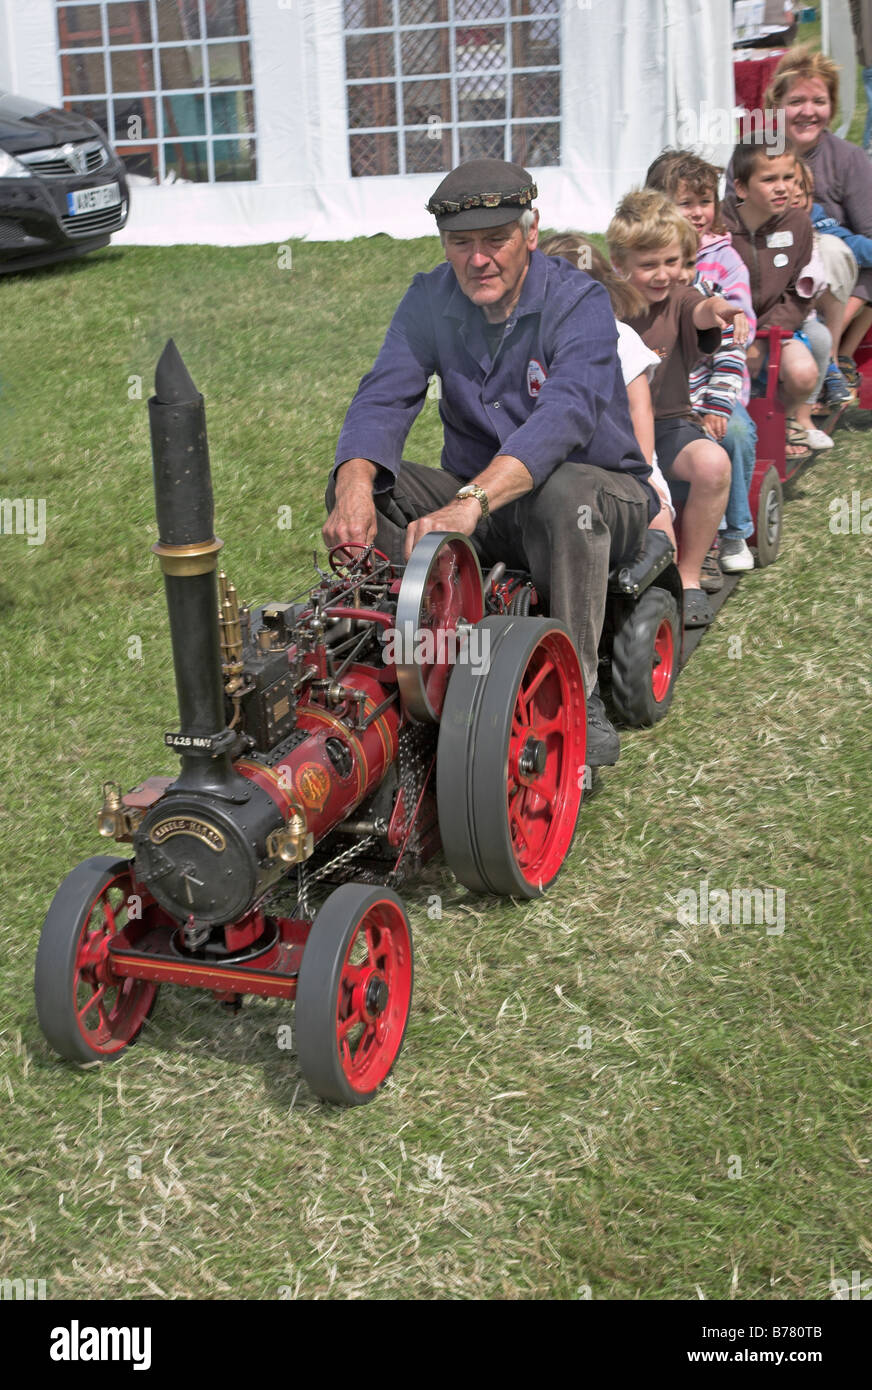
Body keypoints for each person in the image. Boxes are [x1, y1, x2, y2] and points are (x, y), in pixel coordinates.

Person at [324, 158, 658, 768]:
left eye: (495, 239)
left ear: (531, 233)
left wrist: (470, 503)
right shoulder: (429, 298)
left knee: (567, 496)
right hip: (484, 500)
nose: (479, 259)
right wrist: (353, 479)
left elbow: (566, 416)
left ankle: (575, 691)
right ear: (444, 245)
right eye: (461, 242)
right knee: (371, 486)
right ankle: (417, 660)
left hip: (601, 496)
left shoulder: (578, 299)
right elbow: (385, 392)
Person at [606, 189, 743, 627]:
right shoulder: (604, 304)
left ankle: (689, 577)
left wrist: (724, 310)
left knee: (714, 464)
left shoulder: (682, 298)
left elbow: (705, 308)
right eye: (648, 265)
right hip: (612, 432)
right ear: (619, 264)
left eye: (673, 262)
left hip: (668, 424)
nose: (663, 274)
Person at [646, 150, 759, 574]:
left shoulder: (724, 259)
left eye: (704, 202)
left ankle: (733, 531)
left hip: (716, 385)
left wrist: (716, 404)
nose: (697, 212)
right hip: (668, 393)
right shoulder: (646, 266)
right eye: (685, 203)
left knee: (737, 434)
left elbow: (732, 332)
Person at [538, 231, 677, 550]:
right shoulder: (539, 345)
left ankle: (671, 586)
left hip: (627, 467)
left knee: (656, 518)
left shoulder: (621, 338)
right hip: (563, 472)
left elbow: (638, 408)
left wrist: (643, 474)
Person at [758, 45, 872, 382]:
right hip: (769, 266)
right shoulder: (754, 151)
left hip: (842, 273)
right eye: (796, 102)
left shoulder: (849, 159)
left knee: (833, 250)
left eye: (819, 101)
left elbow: (867, 237)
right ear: (777, 107)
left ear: (832, 107)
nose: (808, 112)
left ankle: (833, 358)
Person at [721, 134, 820, 461]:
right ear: (741, 187)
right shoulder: (721, 225)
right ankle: (732, 429)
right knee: (737, 369)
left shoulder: (798, 224)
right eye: (769, 179)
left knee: (803, 372)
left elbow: (800, 290)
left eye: (789, 178)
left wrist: (765, 337)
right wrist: (742, 334)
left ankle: (784, 414)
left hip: (778, 328)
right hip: (727, 328)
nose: (783, 188)